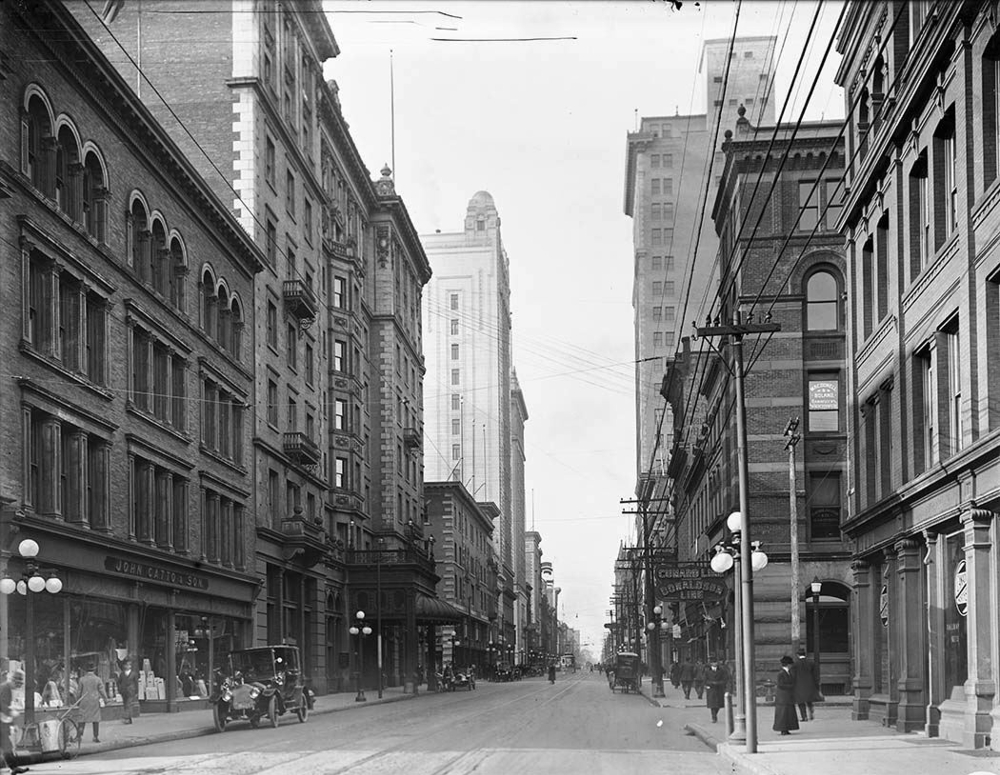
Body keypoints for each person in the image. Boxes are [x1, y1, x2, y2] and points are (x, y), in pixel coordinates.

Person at [0, 669, 29, 774]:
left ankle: (14, 767)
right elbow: (2, 706)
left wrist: (12, 723)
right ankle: (14, 767)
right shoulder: (5, 688)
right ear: (14, 680)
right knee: (6, 746)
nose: (18, 686)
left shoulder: (6, 688)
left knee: (7, 746)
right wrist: (11, 713)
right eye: (18, 683)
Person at [78, 665, 108, 743]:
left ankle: (79, 736)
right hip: (94, 701)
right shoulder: (98, 679)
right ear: (94, 670)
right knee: (95, 719)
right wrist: (105, 699)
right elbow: (102, 690)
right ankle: (95, 736)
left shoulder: (82, 679)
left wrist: (77, 700)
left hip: (84, 701)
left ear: (85, 671)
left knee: (82, 718)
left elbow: (79, 692)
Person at [773, 655, 799, 735]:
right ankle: (783, 729)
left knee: (787, 713)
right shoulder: (781, 673)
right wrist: (791, 686)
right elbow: (780, 685)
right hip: (783, 697)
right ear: (788, 664)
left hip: (786, 696)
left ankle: (786, 728)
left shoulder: (787, 672)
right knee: (783, 714)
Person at [794, 647, 821, 722]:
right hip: (810, 684)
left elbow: (793, 675)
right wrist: (816, 684)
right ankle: (811, 710)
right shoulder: (811, 663)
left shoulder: (796, 664)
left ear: (797, 655)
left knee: (801, 702)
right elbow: (815, 674)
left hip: (799, 685)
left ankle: (804, 716)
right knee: (809, 699)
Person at [704, 657, 729, 723]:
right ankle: (714, 717)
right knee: (712, 704)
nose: (714, 664)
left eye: (715, 662)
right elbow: (705, 680)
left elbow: (725, 679)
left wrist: (719, 683)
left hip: (719, 688)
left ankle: (715, 714)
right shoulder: (707, 671)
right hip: (711, 689)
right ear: (711, 664)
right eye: (713, 663)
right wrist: (711, 683)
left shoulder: (721, 671)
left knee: (718, 704)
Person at [117, 658, 139, 724]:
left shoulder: (134, 674)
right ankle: (129, 719)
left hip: (131, 691)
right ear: (124, 666)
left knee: (128, 704)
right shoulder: (122, 674)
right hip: (124, 691)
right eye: (127, 665)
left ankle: (126, 718)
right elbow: (119, 682)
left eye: (129, 665)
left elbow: (136, 683)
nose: (128, 666)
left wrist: (136, 692)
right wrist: (120, 689)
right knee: (125, 704)